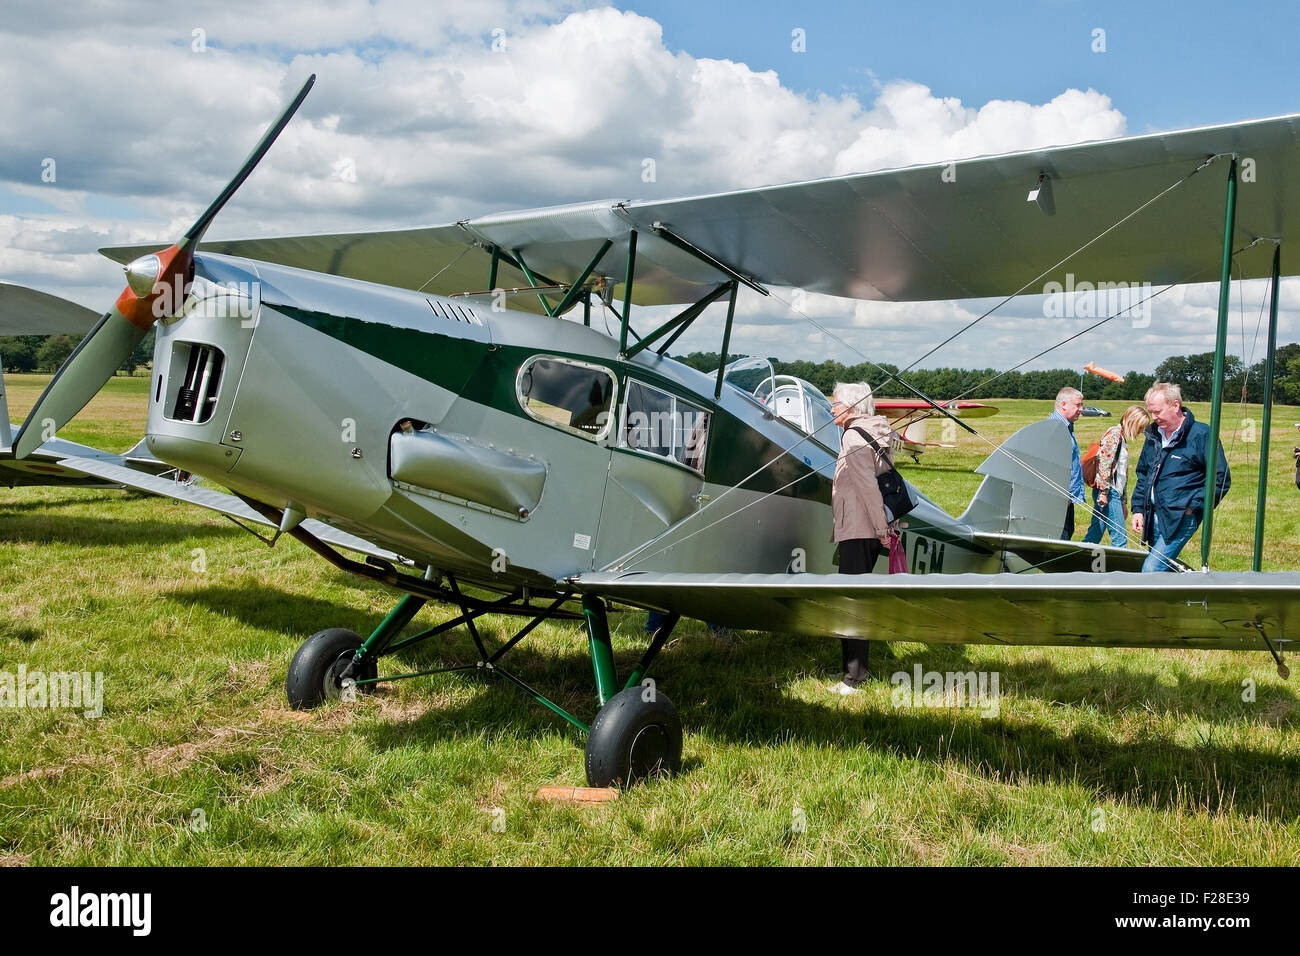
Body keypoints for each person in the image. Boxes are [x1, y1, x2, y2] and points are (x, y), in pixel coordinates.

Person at [829, 381, 896, 695]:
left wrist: (882, 531)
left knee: (851, 603)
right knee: (855, 599)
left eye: (835, 403)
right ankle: (854, 671)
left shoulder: (854, 437)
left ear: (851, 407)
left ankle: (854, 678)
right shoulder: (876, 430)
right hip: (866, 528)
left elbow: (869, 489)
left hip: (859, 529)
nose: (831, 408)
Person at [1130, 382, 1231, 572]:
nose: (1154, 417)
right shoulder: (1153, 435)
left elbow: (1221, 478)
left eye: (1158, 411)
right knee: (1165, 570)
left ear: (1175, 406)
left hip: (1180, 517)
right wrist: (1138, 509)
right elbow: (1143, 473)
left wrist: (1193, 507)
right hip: (1153, 515)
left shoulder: (1202, 434)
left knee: (1152, 569)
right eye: (1151, 412)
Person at [1082, 405, 1151, 548]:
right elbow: (1104, 465)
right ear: (1132, 422)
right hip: (1109, 492)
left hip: (1113, 493)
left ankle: (1077, 560)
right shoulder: (1114, 435)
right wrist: (1103, 493)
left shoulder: (1122, 439)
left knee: (1094, 534)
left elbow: (1121, 475)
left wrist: (1123, 502)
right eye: (1140, 427)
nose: (1141, 431)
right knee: (1119, 538)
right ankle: (1119, 568)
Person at [1048, 387, 1086, 539]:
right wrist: (1062, 494)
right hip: (1058, 500)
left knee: (1067, 534)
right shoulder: (1055, 428)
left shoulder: (1067, 426)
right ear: (1064, 405)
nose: (1081, 409)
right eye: (1078, 405)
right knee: (1059, 539)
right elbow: (1050, 465)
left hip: (1066, 499)